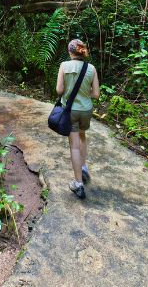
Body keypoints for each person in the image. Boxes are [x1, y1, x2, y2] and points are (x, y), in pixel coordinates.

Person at [56, 39, 99, 199]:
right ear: (82, 51)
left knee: (74, 146)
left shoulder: (64, 66)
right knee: (82, 136)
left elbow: (59, 90)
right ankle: (84, 167)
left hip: (71, 111)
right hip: (86, 110)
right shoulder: (91, 68)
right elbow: (96, 94)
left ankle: (78, 183)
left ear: (70, 52)